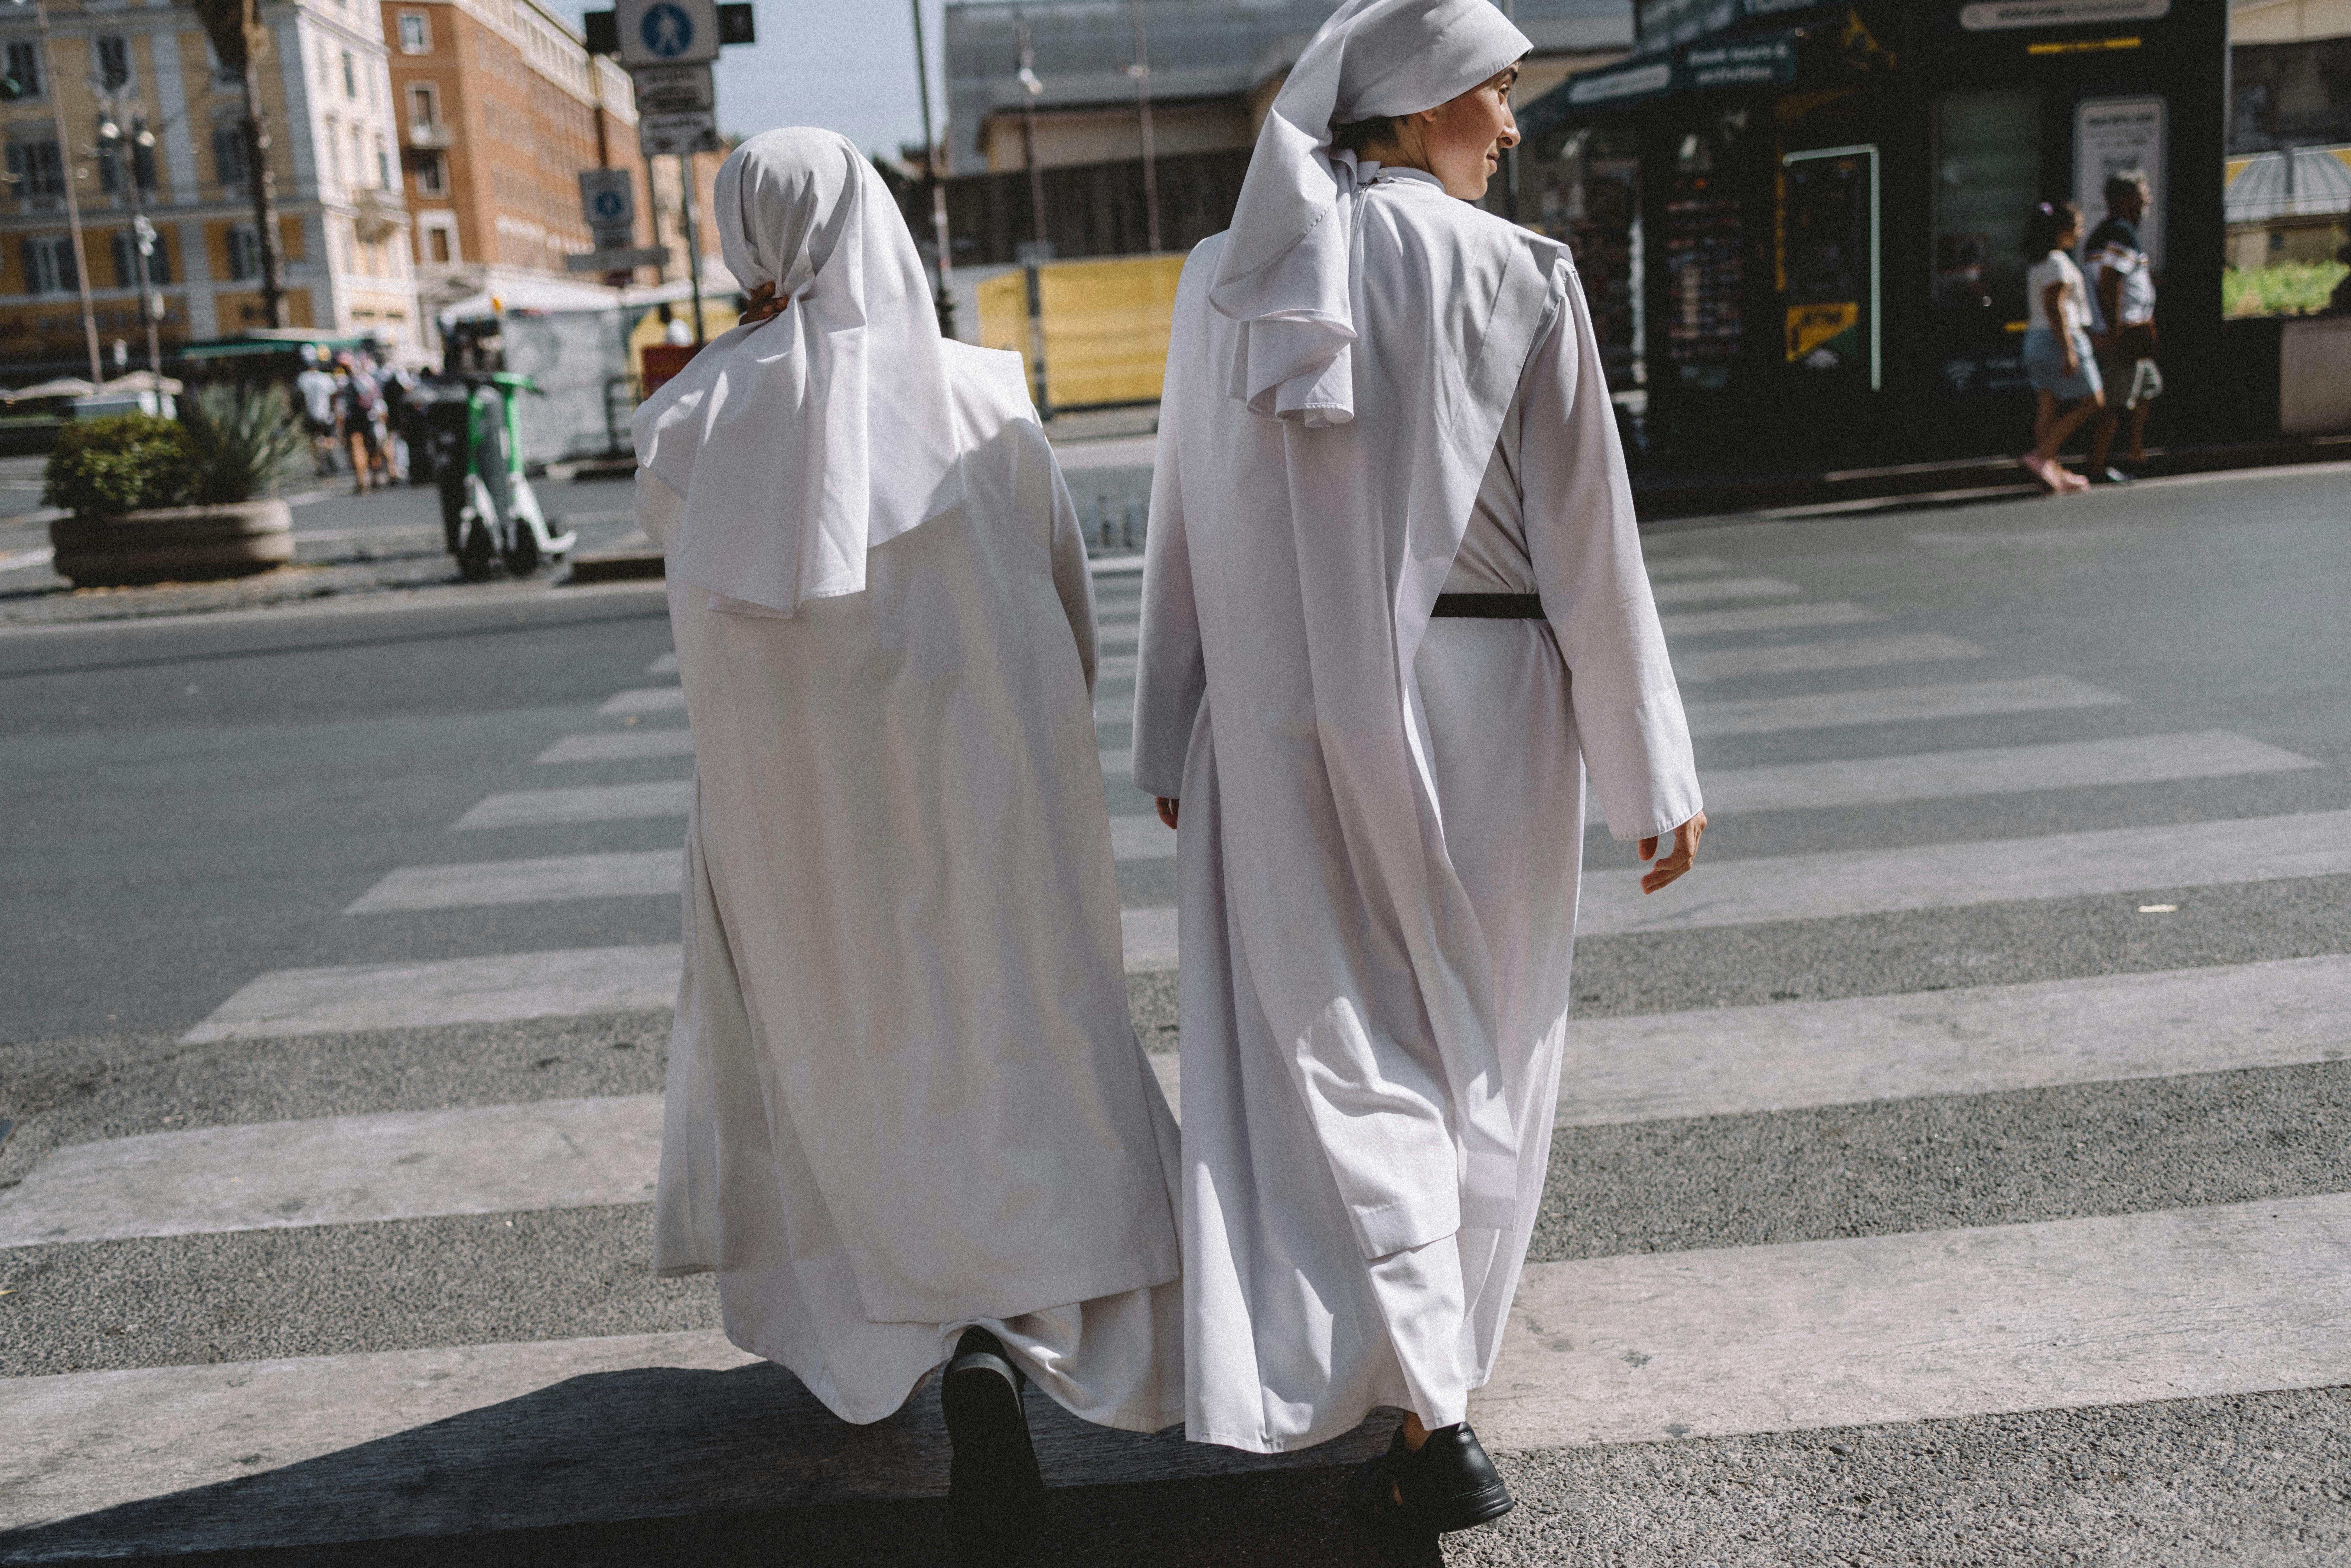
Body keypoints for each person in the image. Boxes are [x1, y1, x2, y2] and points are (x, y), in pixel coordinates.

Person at [1133, 0, 1705, 1540]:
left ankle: (1421, 1384)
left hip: (1272, 713)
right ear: (1426, 100)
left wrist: (1164, 718)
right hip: (1491, 701)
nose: (1511, 127)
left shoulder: (1225, 280)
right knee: (1482, 1039)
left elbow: (1180, 514)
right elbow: (1592, 541)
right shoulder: (1519, 275)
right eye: (1498, 93)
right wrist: (1649, 765)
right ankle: (1431, 1391)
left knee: (1340, 1038)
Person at [634, 128, 1182, 1565]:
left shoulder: (684, 426)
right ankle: (1014, 1324)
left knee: (845, 1056)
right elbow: (1064, 603)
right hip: (985, 789)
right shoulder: (981, 395)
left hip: (794, 819)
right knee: (1009, 1036)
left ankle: (896, 1331)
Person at [2019, 201, 2102, 493]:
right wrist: (2068, 348)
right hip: (2058, 338)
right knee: (2094, 401)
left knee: (2048, 403)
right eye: (2077, 227)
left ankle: (2050, 470)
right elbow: (2055, 308)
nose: (2080, 233)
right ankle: (2041, 457)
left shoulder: (2040, 262)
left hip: (2035, 339)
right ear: (2062, 230)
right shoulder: (2057, 263)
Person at [2085, 171, 2161, 484]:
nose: (2148, 200)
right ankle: (2097, 465)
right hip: (2123, 334)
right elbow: (2109, 281)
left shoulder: (2111, 232)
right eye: (2142, 193)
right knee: (2114, 403)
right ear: (2125, 200)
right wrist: (2116, 331)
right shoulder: (2120, 232)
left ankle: (2134, 451)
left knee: (2148, 387)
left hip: (2132, 331)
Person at [294, 347, 340, 476]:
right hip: (326, 414)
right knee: (328, 438)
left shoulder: (302, 379)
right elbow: (334, 395)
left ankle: (321, 463)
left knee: (315, 440)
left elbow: (300, 398)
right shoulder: (325, 378)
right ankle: (328, 456)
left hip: (311, 415)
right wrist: (333, 411)